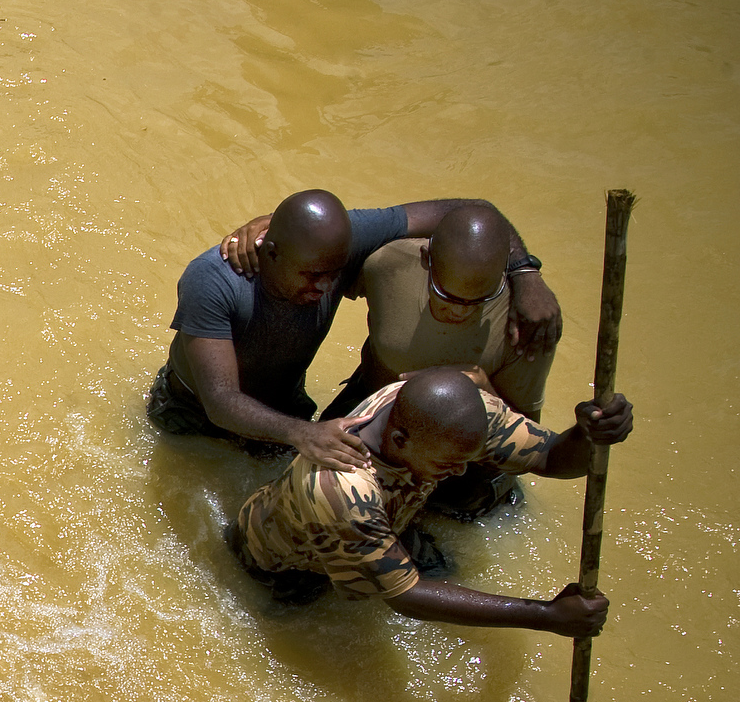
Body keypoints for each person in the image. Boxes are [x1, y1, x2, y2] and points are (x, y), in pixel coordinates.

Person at [147, 190, 558, 471]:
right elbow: (220, 401)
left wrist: (525, 273)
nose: (328, 287)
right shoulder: (214, 280)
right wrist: (303, 434)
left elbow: (469, 212)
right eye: (312, 276)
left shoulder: (336, 245)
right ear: (270, 251)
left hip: (283, 407)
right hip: (193, 413)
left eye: (335, 273)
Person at [228, 368, 630, 637]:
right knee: (299, 631)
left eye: (465, 461)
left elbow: (552, 457)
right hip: (285, 562)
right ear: (399, 441)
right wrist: (545, 615)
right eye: (448, 465)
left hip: (390, 521)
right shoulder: (343, 489)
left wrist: (589, 433)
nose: (457, 474)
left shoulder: (458, 414)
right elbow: (406, 595)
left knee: (450, 572)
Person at [325, 204, 559, 518]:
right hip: (376, 423)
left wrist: (484, 389)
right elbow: (312, 262)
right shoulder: (387, 265)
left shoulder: (527, 328)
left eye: (480, 300)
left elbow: (528, 439)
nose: (461, 311)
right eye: (446, 295)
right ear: (426, 260)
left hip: (459, 462)